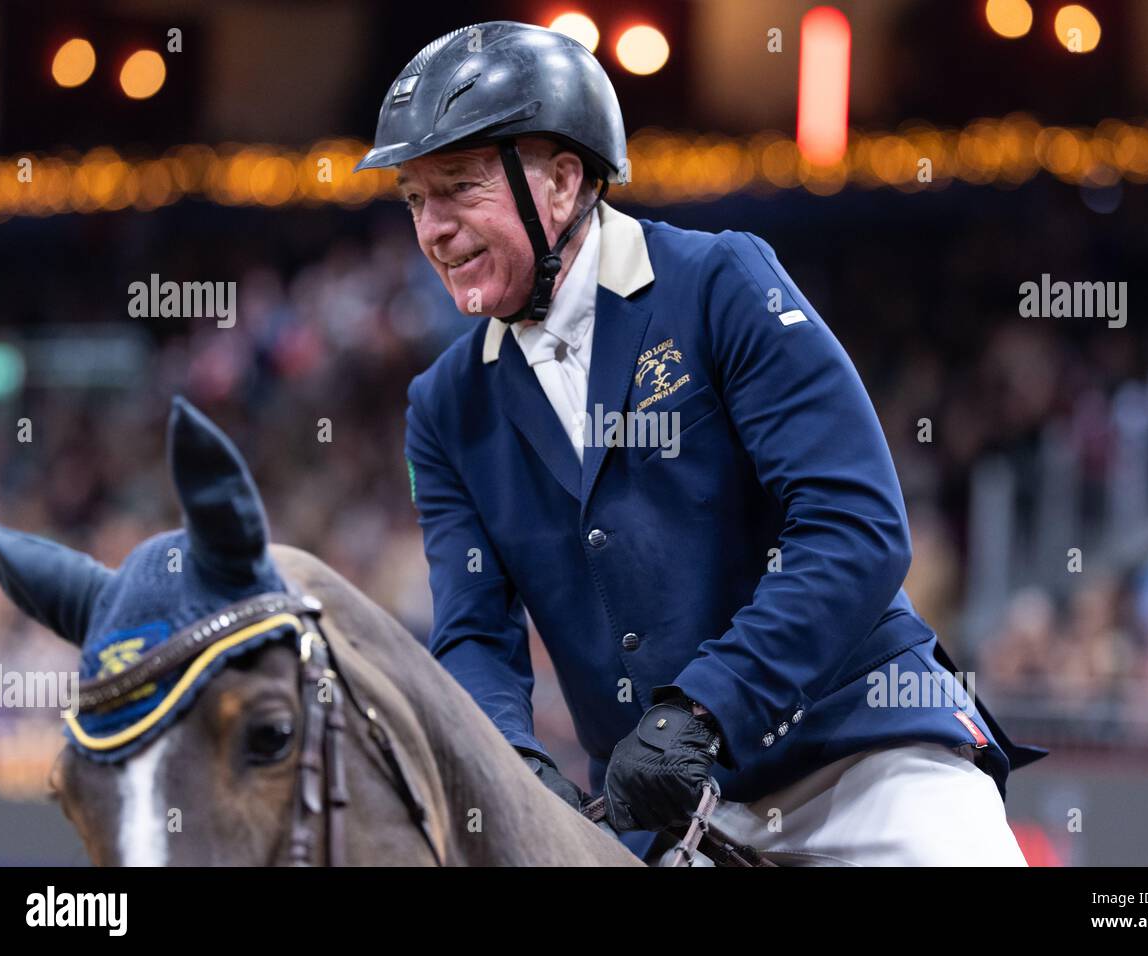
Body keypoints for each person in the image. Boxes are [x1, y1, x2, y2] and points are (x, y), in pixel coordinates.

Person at [355, 20, 1045, 864]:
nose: (433, 230)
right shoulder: (443, 407)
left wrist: (704, 710)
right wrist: (514, 761)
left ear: (564, 182)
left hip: (863, 763)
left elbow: (854, 529)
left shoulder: (720, 284)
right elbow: (472, 632)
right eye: (416, 200)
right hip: (669, 815)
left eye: (458, 188)